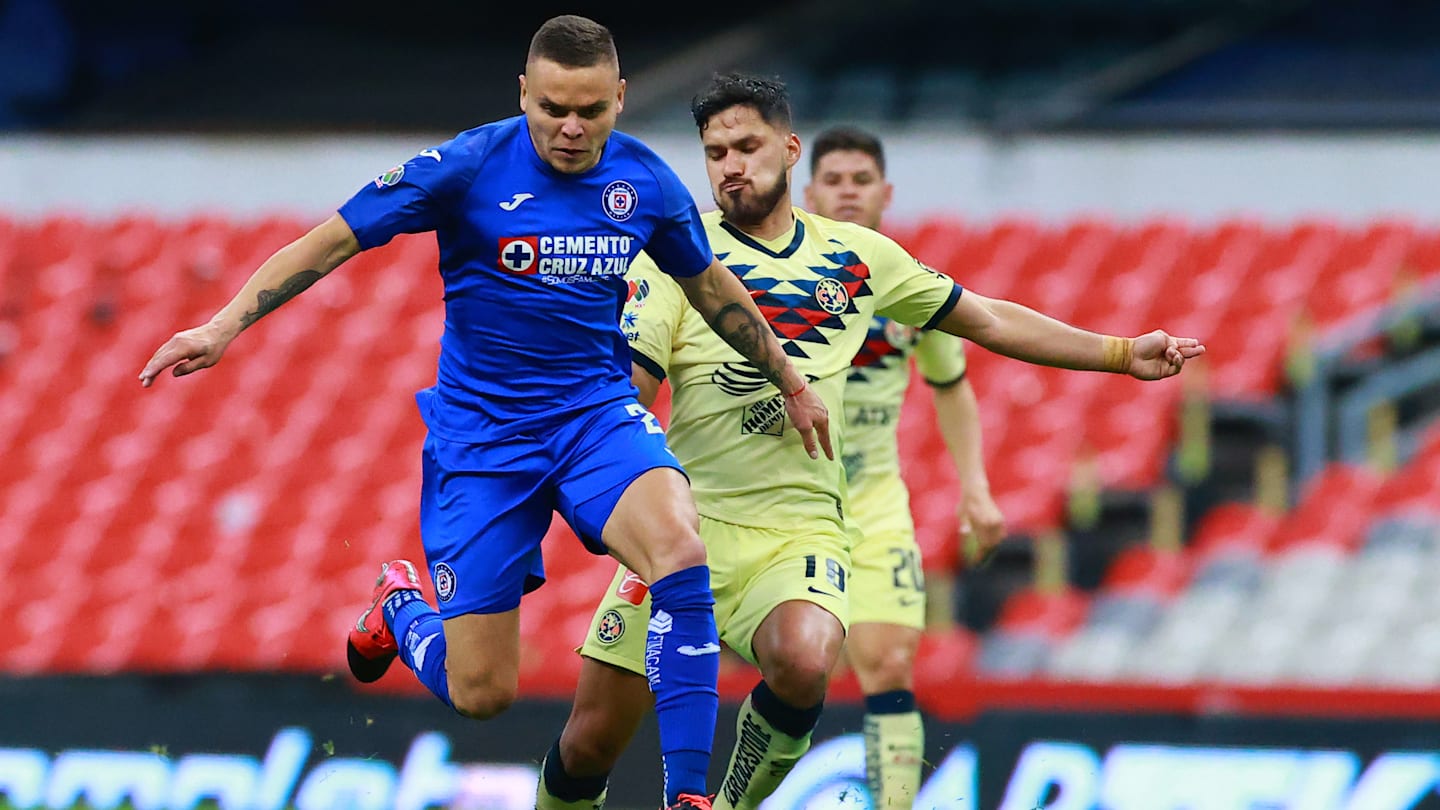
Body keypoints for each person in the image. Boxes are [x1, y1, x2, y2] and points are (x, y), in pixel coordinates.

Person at [136, 18, 833, 810]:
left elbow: (712, 290)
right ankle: (400, 606)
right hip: (484, 443)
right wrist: (223, 325)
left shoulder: (645, 182)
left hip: (595, 417)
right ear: (524, 93)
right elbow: (330, 241)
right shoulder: (466, 165)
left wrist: (790, 379)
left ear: (621, 99)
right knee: (483, 694)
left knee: (678, 549)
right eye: (553, 108)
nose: (572, 128)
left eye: (593, 110)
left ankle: (687, 796)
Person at [533, 73, 1204, 810]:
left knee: (807, 656)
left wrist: (1117, 353)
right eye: (715, 150)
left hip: (800, 531)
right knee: (589, 741)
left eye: (747, 146)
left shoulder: (857, 257)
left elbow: (986, 319)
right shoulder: (677, 258)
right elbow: (632, 387)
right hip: (684, 529)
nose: (730, 164)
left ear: (789, 150)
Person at [804, 126, 1004, 808]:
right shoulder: (767, 276)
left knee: (888, 662)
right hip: (782, 502)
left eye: (862, 180)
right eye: (834, 179)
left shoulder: (914, 292)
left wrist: (975, 487)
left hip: (873, 502)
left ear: (885, 194)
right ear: (809, 192)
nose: (848, 191)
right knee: (794, 667)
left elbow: (952, 387)